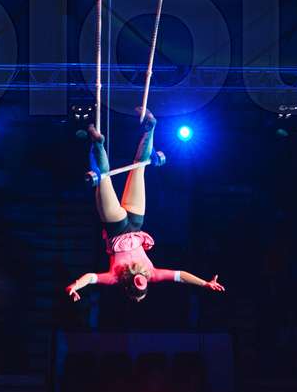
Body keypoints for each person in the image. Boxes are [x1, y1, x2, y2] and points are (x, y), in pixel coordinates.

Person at [66, 107, 225, 303]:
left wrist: (76, 284)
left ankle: (107, 141)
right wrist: (205, 283)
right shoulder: (150, 274)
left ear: (130, 287)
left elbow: (91, 278)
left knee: (122, 173)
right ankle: (144, 130)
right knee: (125, 172)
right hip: (127, 225)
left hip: (129, 223)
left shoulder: (117, 279)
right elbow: (180, 275)